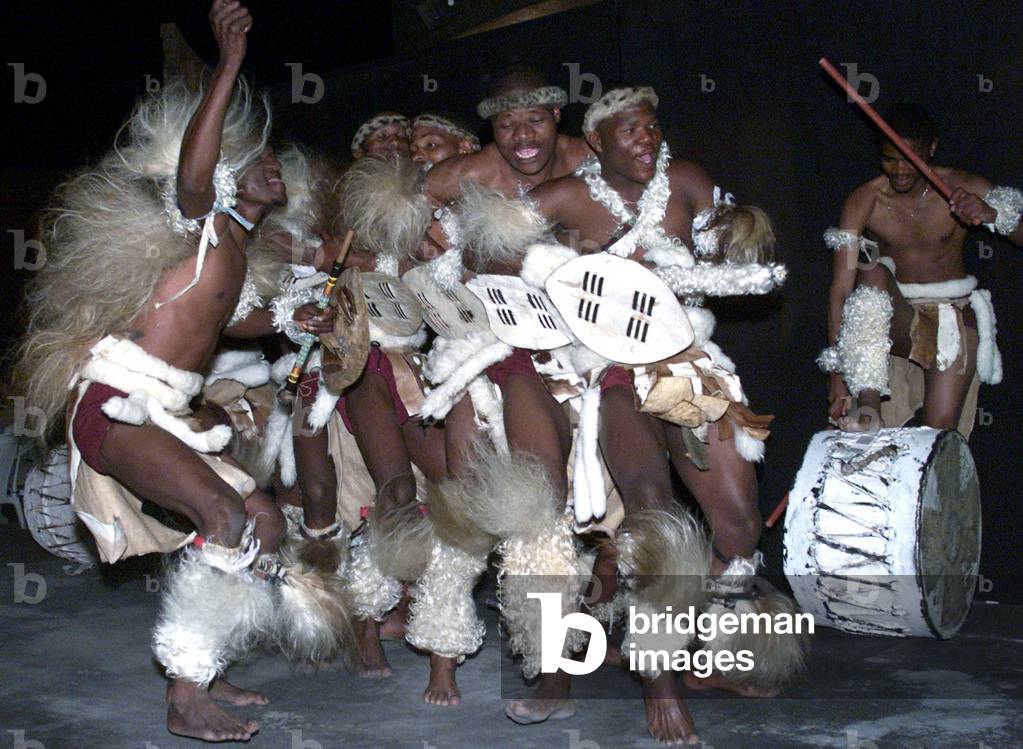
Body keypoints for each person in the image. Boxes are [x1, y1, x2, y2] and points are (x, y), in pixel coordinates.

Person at [15, 2, 339, 741]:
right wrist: (229, 62)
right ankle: (185, 694)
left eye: (268, 156)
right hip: (119, 402)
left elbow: (239, 320)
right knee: (224, 515)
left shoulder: (233, 259)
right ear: (222, 171)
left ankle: (204, 662)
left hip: (168, 411)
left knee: (258, 518)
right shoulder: (197, 223)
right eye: (247, 155)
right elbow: (197, 165)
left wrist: (301, 318)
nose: (269, 163)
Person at [519, 85, 803, 744]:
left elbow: (730, 249)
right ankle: (660, 680)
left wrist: (737, 236)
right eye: (629, 132)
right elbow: (482, 246)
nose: (645, 140)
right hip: (611, 369)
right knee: (651, 509)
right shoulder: (565, 197)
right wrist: (551, 275)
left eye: (651, 127)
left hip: (688, 360)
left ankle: (718, 649)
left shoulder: (686, 180)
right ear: (596, 142)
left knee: (736, 523)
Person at [821, 102, 1021, 434]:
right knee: (871, 270)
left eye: (909, 160)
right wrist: (837, 375)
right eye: (890, 159)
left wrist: (992, 214)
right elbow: (840, 291)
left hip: (952, 316)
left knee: (937, 435)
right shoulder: (863, 201)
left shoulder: (962, 186)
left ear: (931, 149)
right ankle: (870, 406)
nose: (899, 170)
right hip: (897, 318)